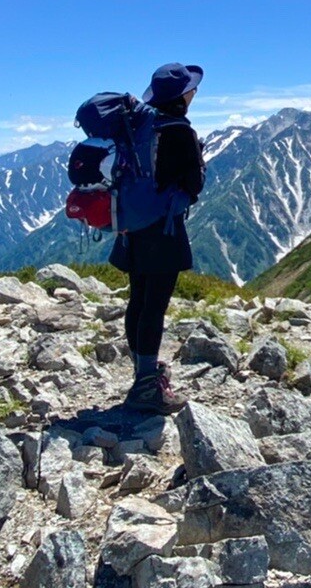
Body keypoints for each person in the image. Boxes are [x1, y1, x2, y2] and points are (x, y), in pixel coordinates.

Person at [109, 62, 205, 415]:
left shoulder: (140, 124)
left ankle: (143, 372)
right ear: (184, 96)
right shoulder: (180, 131)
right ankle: (147, 388)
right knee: (155, 306)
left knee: (138, 299)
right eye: (191, 90)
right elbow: (193, 187)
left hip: (131, 225)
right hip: (162, 229)